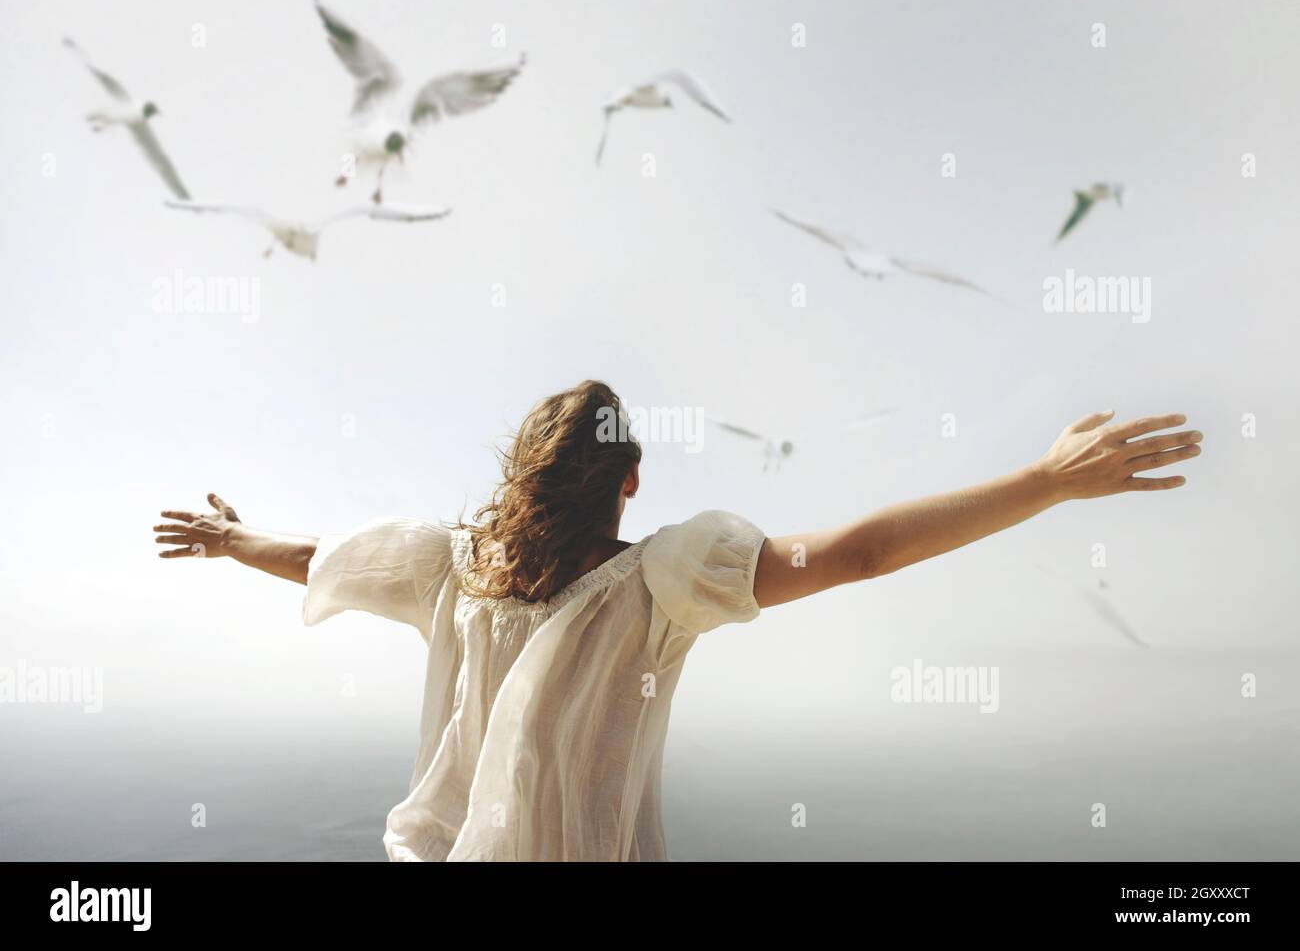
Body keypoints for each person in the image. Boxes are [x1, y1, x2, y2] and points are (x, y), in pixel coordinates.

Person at [153, 380, 1202, 860]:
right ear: (631, 481)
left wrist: (232, 539)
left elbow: (319, 555)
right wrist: (1043, 480)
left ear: (522, 474)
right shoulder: (662, 579)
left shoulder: (447, 566)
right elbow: (857, 553)